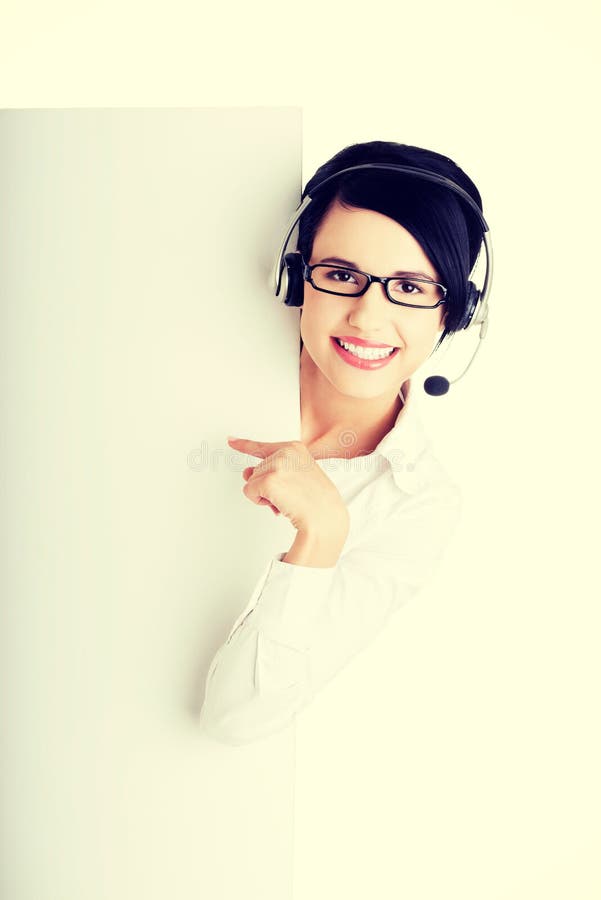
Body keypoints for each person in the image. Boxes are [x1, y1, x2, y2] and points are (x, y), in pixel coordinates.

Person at [199, 140, 487, 745]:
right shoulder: (201, 354)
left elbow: (238, 719)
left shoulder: (416, 503)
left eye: (411, 287)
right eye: (341, 275)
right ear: (296, 278)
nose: (367, 317)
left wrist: (324, 534)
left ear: (455, 312)